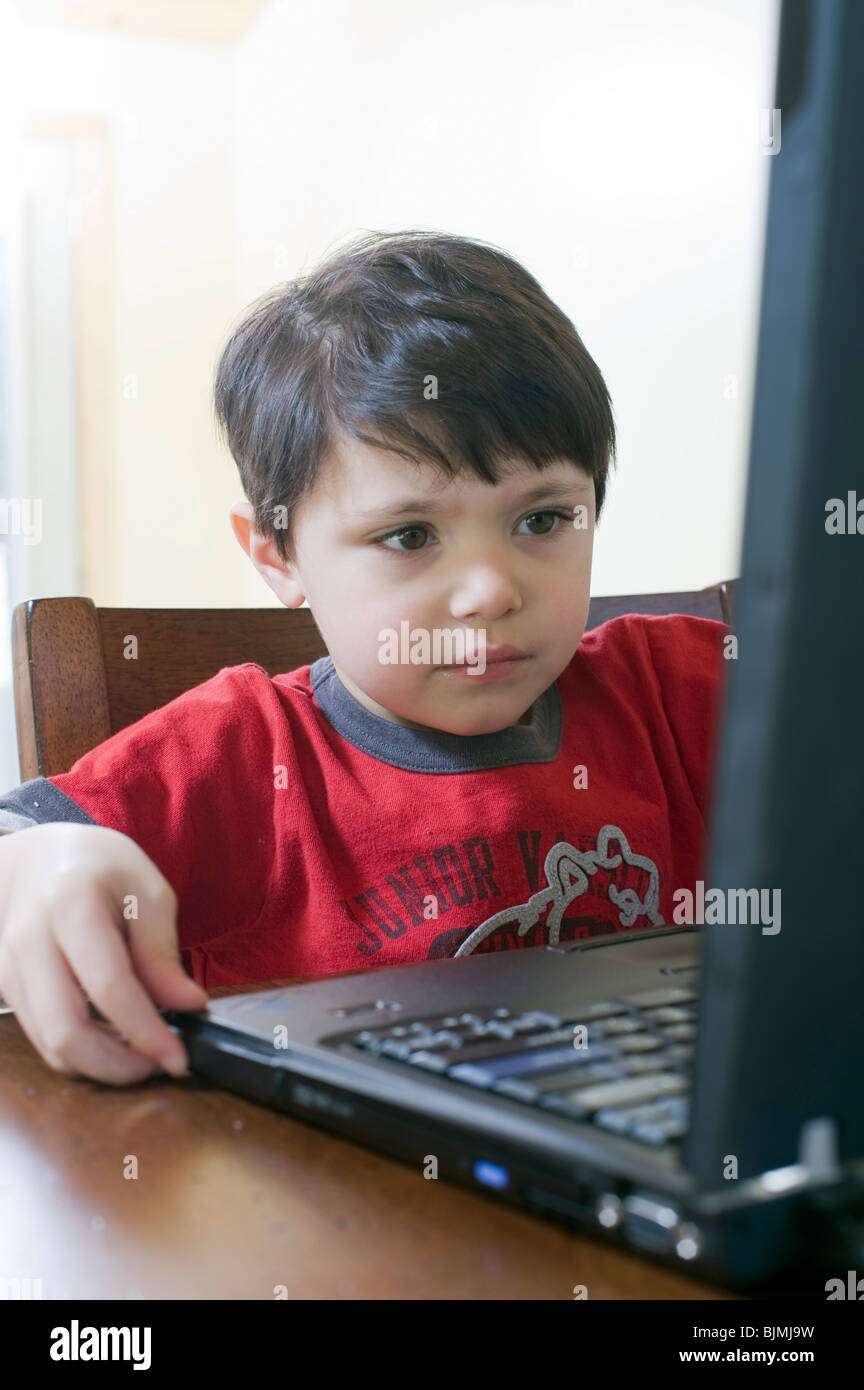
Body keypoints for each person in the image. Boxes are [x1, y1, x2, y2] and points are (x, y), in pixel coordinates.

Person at [0, 229, 729, 1087]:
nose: (491, 591)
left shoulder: (680, 689)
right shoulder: (245, 754)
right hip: (334, 1204)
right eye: (410, 535)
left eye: (543, 520)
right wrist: (31, 868)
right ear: (277, 555)